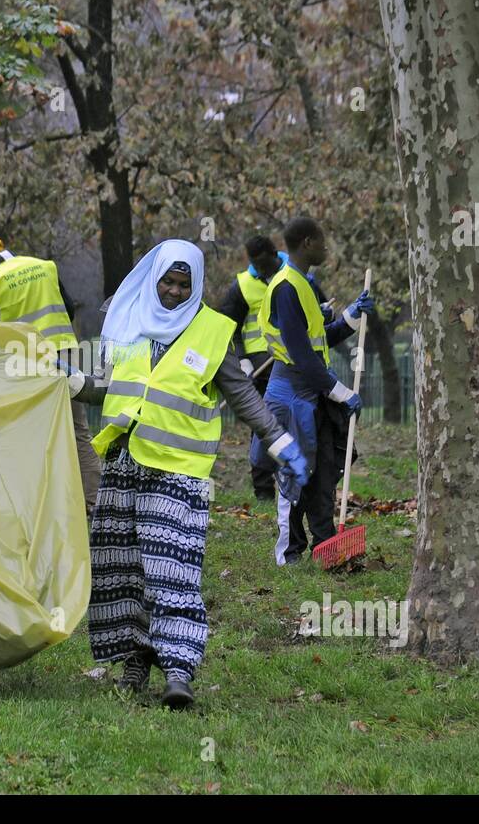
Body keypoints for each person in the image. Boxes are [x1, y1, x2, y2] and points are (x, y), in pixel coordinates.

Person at [67, 239, 308, 709]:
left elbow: (242, 396)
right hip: (123, 466)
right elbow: (113, 387)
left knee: (171, 567)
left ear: (196, 284)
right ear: (155, 279)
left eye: (184, 284)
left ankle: (178, 671)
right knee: (122, 568)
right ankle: (135, 660)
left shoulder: (213, 331)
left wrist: (280, 443)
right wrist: (76, 383)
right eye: (168, 282)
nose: (175, 292)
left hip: (178, 474)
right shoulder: (131, 324)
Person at [255, 217, 373, 566]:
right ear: (307, 243)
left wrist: (351, 316)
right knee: (293, 475)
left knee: (322, 474)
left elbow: (319, 342)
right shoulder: (286, 288)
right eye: (322, 242)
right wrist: (342, 393)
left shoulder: (304, 284)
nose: (326, 248)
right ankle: (288, 553)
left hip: (312, 394)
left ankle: (326, 545)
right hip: (290, 396)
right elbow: (303, 357)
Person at [0, 233, 101, 510]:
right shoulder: (45, 267)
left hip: (25, 364)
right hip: (66, 356)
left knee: (29, 431)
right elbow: (68, 309)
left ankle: (37, 506)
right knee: (77, 431)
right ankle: (94, 503)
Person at [215, 234, 282, 500]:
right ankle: (264, 491)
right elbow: (227, 328)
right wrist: (241, 360)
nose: (259, 268)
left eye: (263, 263)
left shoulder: (295, 275)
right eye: (254, 263)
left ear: (275, 255)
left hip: (290, 364)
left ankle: (298, 486)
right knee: (262, 425)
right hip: (259, 368)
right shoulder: (241, 286)